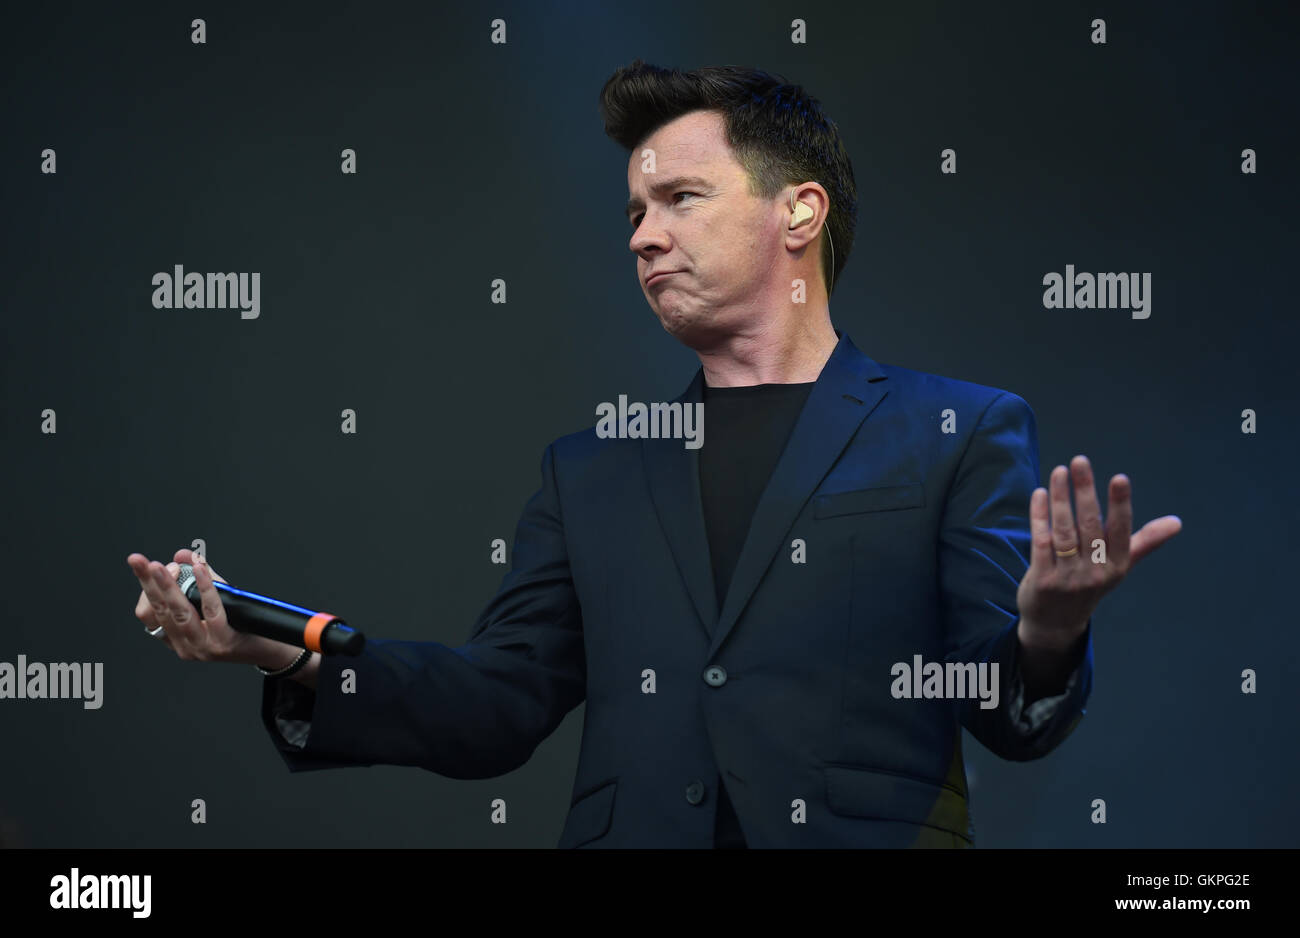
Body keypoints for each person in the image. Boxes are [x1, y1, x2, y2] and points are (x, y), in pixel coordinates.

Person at [127, 60, 1181, 848]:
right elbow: (495, 704)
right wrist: (277, 646)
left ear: (797, 211)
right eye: (633, 211)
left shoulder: (960, 429)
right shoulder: (591, 468)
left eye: (679, 199)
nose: (640, 235)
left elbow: (1006, 714)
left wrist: (1045, 633)